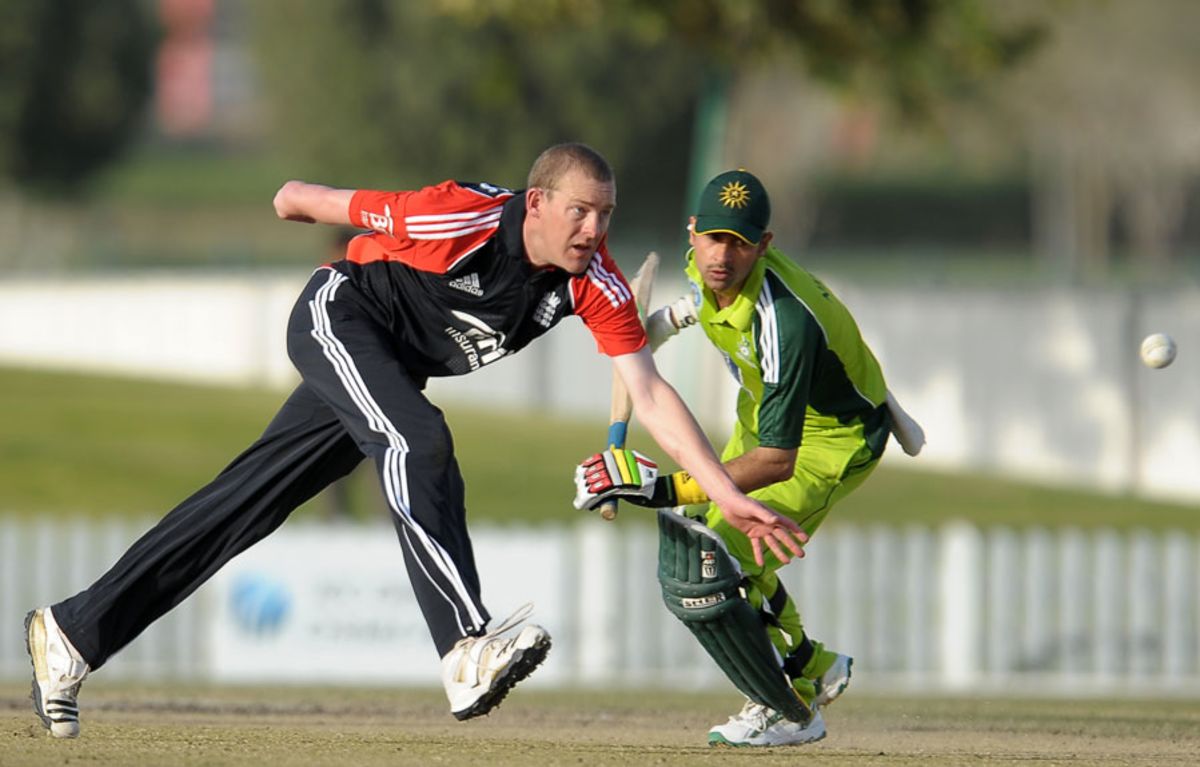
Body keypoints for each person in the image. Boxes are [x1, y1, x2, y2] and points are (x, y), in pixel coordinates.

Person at [24, 144, 809, 739]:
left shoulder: (593, 282)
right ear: (537, 202)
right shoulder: (457, 215)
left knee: (241, 508)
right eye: (580, 211)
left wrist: (728, 493)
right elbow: (320, 202)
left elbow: (652, 393)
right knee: (421, 441)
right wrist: (291, 198)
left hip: (389, 369)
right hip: (338, 316)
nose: (594, 229)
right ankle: (464, 646)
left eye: (604, 214)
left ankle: (72, 633)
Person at [573, 169, 923, 748]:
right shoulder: (707, 268)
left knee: (722, 559)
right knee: (696, 547)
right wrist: (666, 323)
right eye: (713, 237)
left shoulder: (782, 320)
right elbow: (702, 299)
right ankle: (811, 663)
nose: (722, 255)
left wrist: (658, 488)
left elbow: (778, 460)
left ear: (764, 245)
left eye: (739, 243)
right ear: (692, 231)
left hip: (826, 443)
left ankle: (789, 706)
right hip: (760, 416)